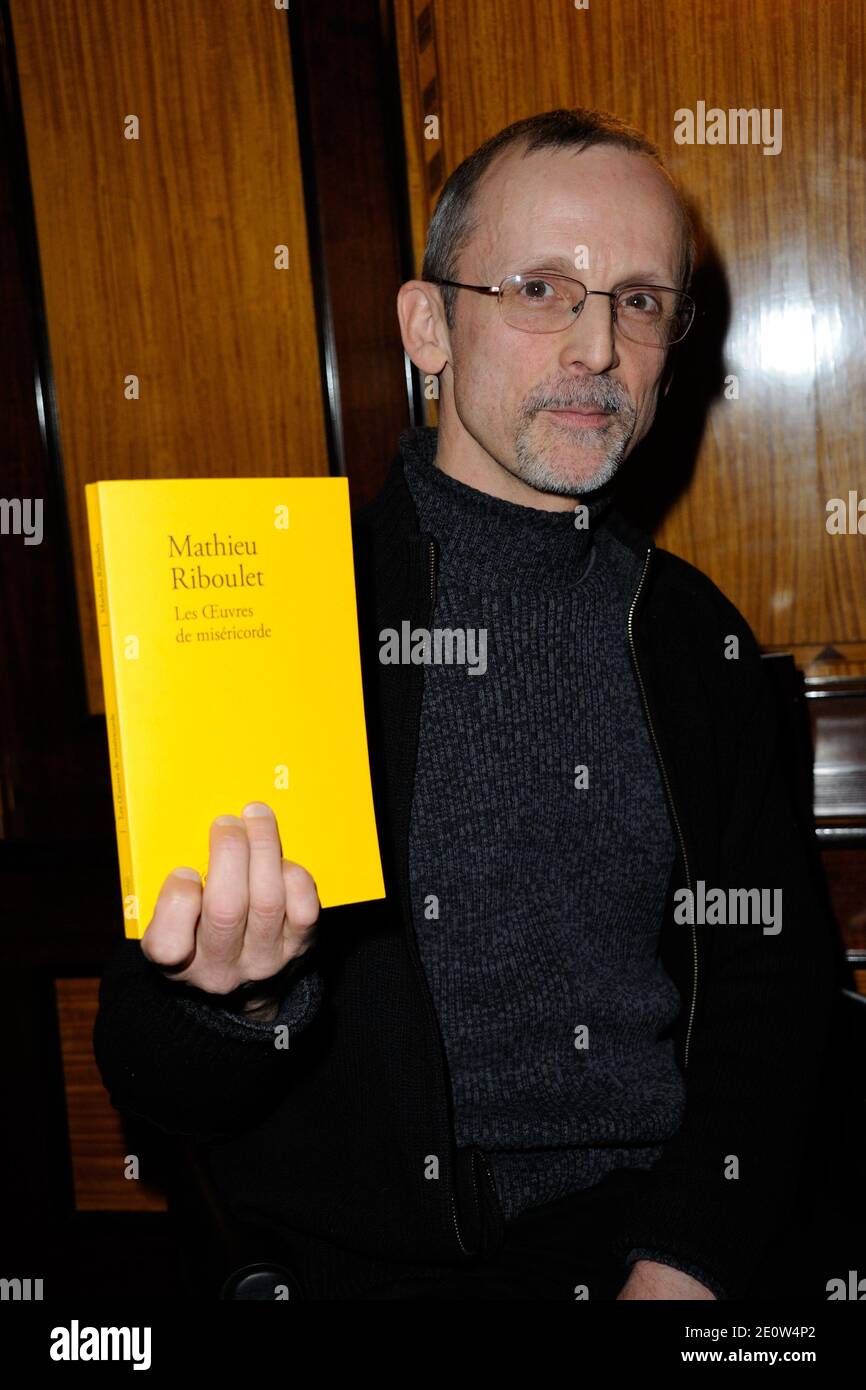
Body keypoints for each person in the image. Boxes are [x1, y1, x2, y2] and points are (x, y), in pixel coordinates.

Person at [93, 108, 837, 1301]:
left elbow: (772, 996)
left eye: (640, 301)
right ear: (426, 325)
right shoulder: (282, 615)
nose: (596, 346)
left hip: (640, 1247)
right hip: (345, 1270)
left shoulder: (698, 638)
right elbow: (154, 1077)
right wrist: (232, 1001)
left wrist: (686, 1254)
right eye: (541, 288)